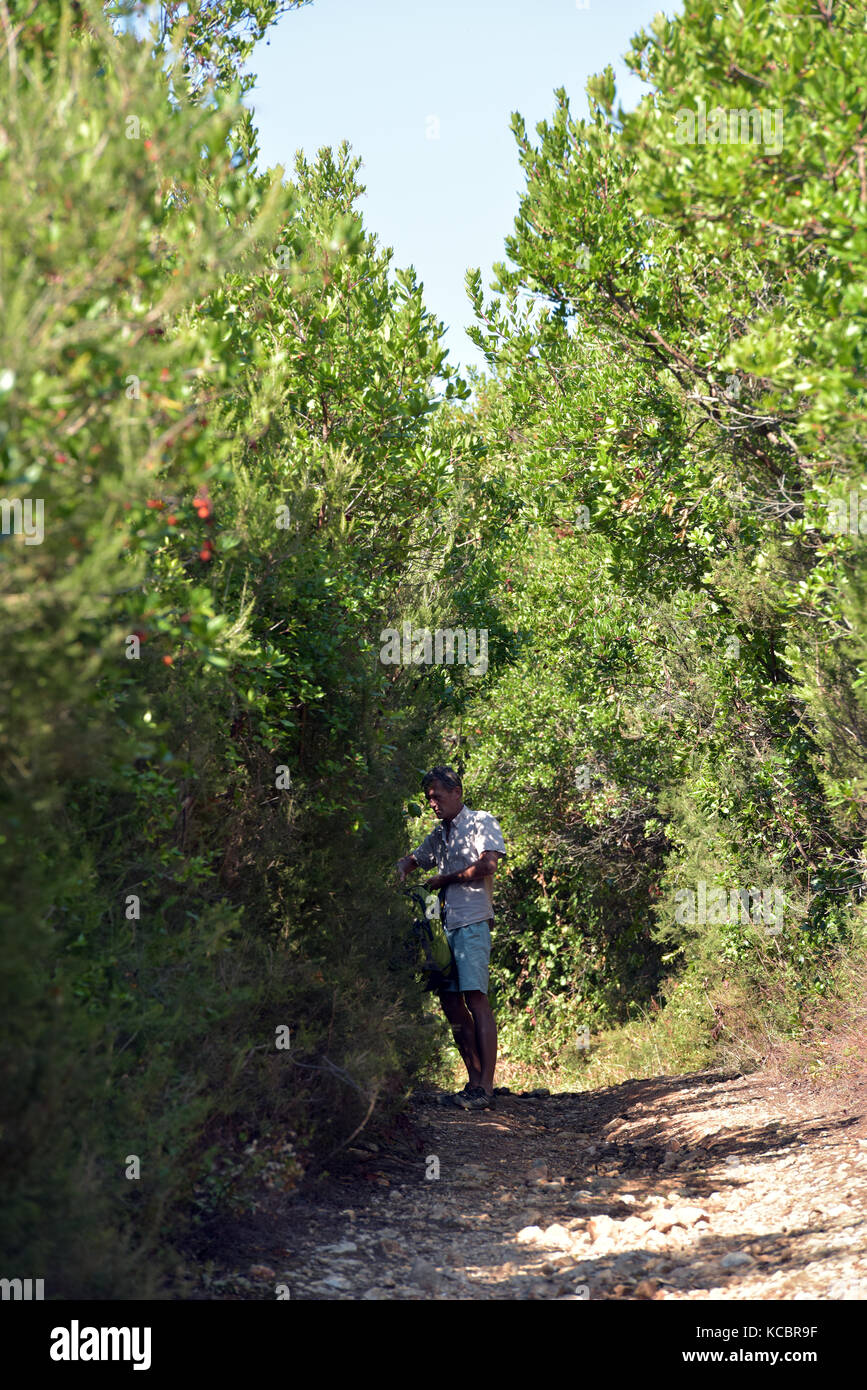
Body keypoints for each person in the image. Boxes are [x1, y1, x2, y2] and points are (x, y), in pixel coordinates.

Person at [397, 766, 506, 1110]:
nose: (432, 803)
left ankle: (486, 1089)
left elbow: (488, 865)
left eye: (437, 796)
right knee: (450, 1004)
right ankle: (472, 1083)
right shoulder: (439, 834)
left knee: (475, 999)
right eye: (428, 798)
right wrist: (399, 870)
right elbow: (414, 859)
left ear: (456, 792)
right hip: (445, 929)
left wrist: (445, 880)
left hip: (473, 921)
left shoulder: (481, 821)